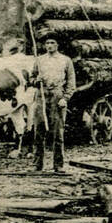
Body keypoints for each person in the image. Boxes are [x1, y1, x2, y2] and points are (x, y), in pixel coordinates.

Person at [33, 35, 75, 173]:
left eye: (52, 43)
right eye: (47, 43)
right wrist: (36, 80)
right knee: (38, 131)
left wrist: (66, 98)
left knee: (58, 132)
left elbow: (71, 82)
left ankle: (58, 165)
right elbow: (31, 78)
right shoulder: (39, 60)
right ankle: (37, 164)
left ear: (57, 45)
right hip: (42, 95)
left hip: (58, 95)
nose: (49, 45)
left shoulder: (65, 60)